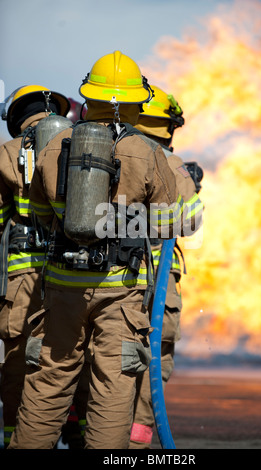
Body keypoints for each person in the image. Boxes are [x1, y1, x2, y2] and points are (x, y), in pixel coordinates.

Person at [8, 50, 188, 449]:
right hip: (120, 292)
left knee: (47, 386)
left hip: (60, 289)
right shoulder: (149, 154)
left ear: (87, 100)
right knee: (113, 391)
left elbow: (39, 211)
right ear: (137, 105)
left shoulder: (55, 146)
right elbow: (167, 223)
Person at [129, 85, 204, 449]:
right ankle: (137, 445)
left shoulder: (114, 152)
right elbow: (190, 220)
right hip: (156, 282)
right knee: (152, 364)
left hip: (108, 282)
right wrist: (191, 187)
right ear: (166, 125)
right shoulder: (168, 162)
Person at [0, 85, 70, 448]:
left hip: (23, 281)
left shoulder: (7, 154)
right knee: (70, 364)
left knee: (17, 367)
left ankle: (18, 440)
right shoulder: (81, 146)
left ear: (16, 116)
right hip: (76, 279)